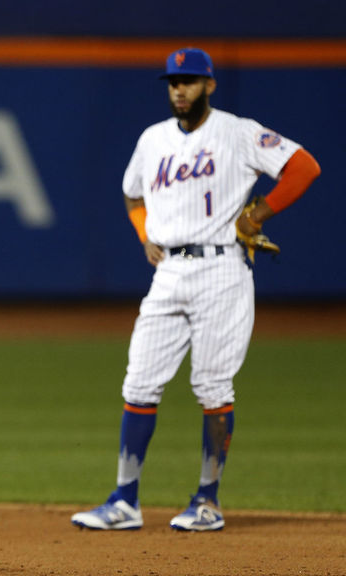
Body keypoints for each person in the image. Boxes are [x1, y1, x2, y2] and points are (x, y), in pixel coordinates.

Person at [71, 47, 321, 531]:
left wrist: (258, 213)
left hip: (222, 270)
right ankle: (124, 501)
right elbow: (132, 192)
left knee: (211, 385)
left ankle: (207, 501)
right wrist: (145, 235)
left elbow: (304, 167)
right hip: (168, 275)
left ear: (209, 84)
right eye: (172, 81)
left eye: (188, 80)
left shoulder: (238, 132)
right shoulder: (153, 139)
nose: (178, 89)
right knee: (139, 383)